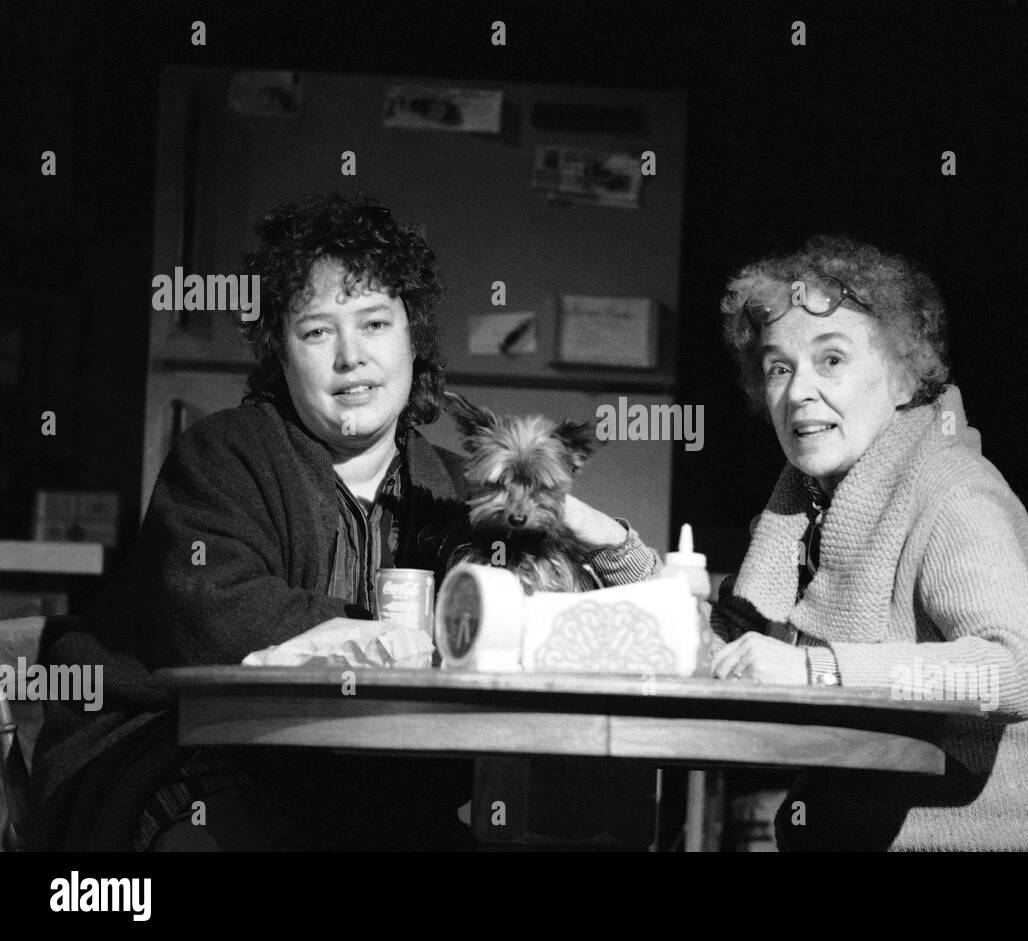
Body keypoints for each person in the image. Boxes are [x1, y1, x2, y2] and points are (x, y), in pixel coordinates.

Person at [29, 194, 659, 851]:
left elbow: (543, 629)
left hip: (380, 789)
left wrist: (605, 547)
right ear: (280, 350)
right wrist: (405, 640)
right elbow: (220, 613)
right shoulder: (222, 455)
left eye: (375, 324)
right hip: (194, 762)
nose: (350, 356)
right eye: (317, 330)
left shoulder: (457, 490)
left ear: (413, 337)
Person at [709, 235, 1028, 851]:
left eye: (831, 360)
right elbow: (733, 640)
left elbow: (1018, 672)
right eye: (779, 367)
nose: (799, 391)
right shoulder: (809, 506)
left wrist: (820, 670)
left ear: (902, 375)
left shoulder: (951, 494)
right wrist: (610, 549)